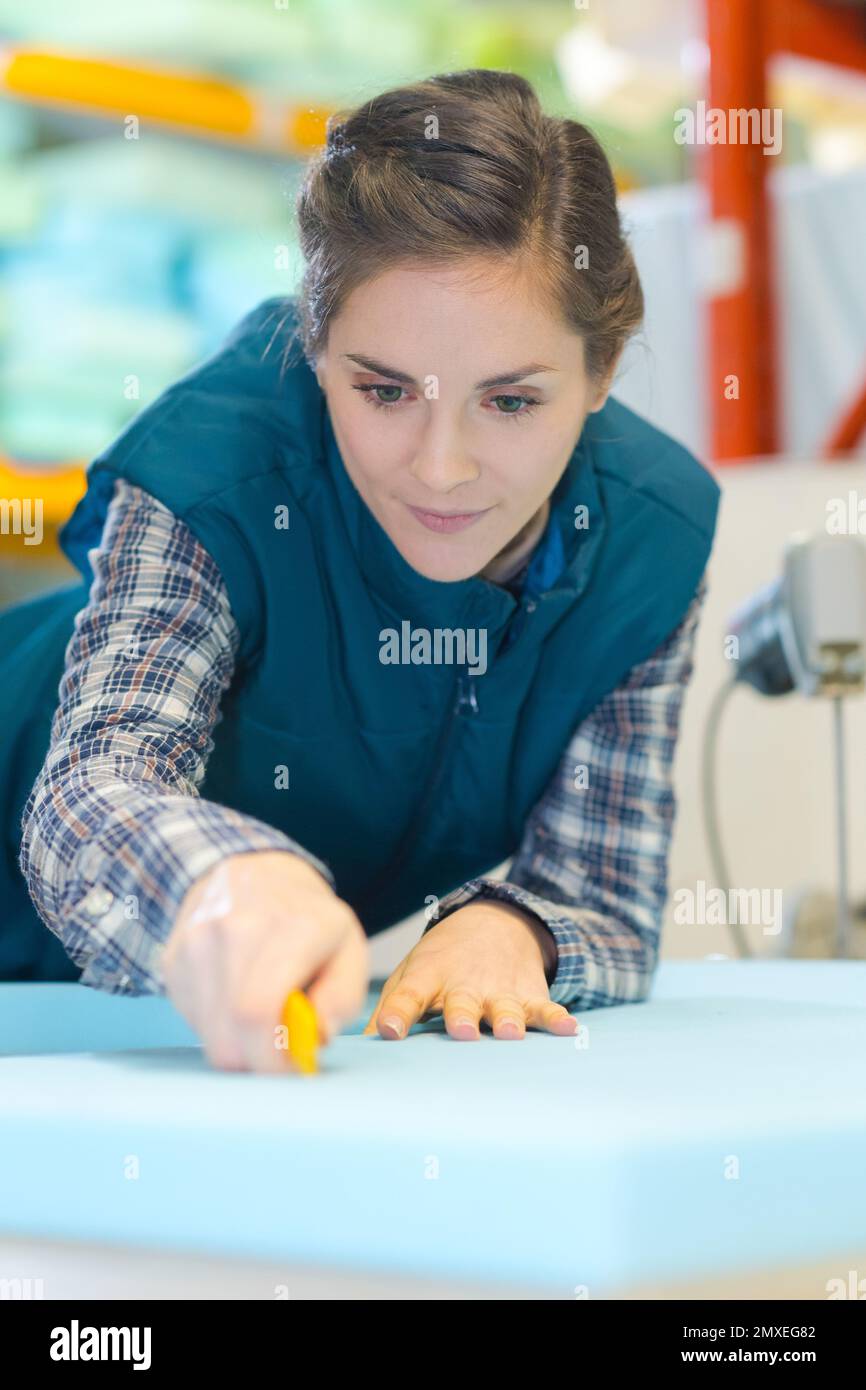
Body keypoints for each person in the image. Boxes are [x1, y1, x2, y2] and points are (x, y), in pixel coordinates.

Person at [3, 69, 719, 1071]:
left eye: (509, 401)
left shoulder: (650, 544)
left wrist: (518, 928)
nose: (440, 466)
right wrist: (225, 881)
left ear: (600, 372)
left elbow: (603, 885)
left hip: (167, 1034)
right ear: (315, 344)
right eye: (382, 391)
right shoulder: (215, 469)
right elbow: (93, 786)